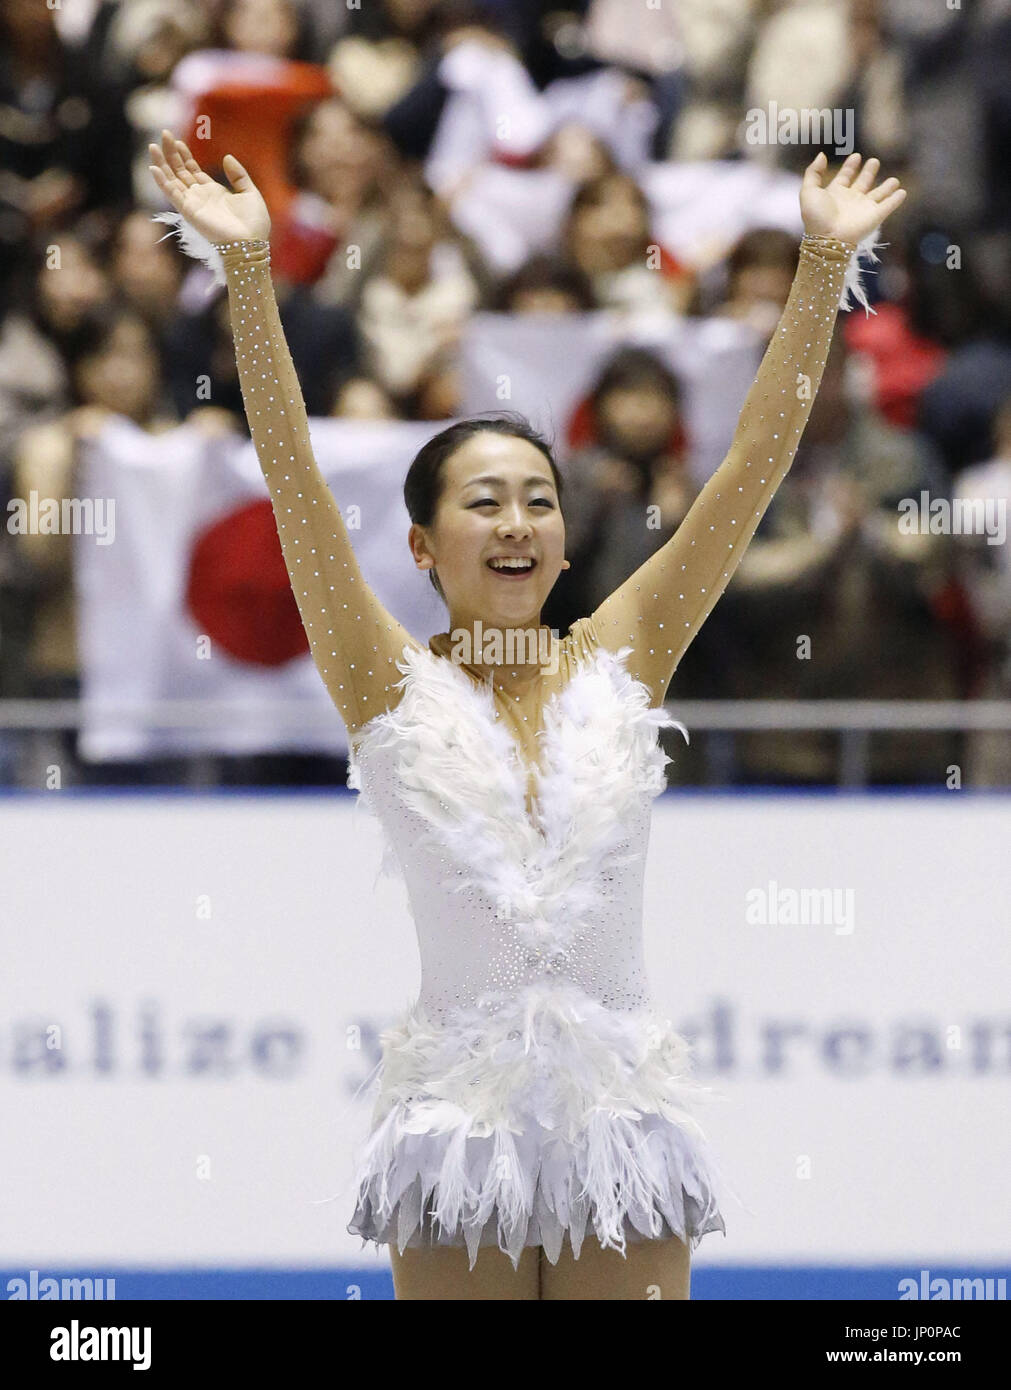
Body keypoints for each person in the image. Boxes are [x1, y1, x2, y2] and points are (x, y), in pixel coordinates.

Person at [148, 130, 906, 1299]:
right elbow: (291, 472)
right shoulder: (385, 681)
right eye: (485, 502)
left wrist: (818, 270)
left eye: (539, 501)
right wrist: (250, 279)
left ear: (562, 537)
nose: (516, 523)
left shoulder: (627, 653)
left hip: (624, 1111)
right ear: (422, 543)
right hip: (458, 1114)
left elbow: (754, 463)